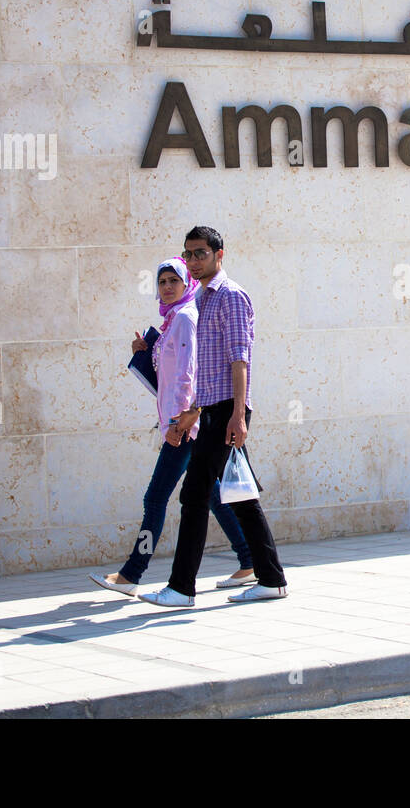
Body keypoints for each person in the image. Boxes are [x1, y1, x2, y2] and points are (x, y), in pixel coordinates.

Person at [139, 226, 289, 607]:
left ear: (219, 255)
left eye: (200, 253)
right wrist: (191, 413)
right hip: (211, 410)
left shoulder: (231, 297)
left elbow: (240, 358)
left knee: (194, 495)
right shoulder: (202, 300)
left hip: (228, 411)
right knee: (239, 495)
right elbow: (206, 371)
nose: (193, 261)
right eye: (188, 254)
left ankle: (181, 588)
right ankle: (271, 578)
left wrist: (238, 415)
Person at [89, 256, 256, 597]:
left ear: (186, 284)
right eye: (162, 282)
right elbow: (168, 372)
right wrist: (147, 351)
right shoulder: (173, 320)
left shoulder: (184, 318)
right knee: (211, 495)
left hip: (183, 425)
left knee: (156, 497)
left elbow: (187, 375)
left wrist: (178, 422)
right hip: (183, 422)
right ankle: (249, 559)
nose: (166, 287)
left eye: (173, 281)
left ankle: (132, 574)